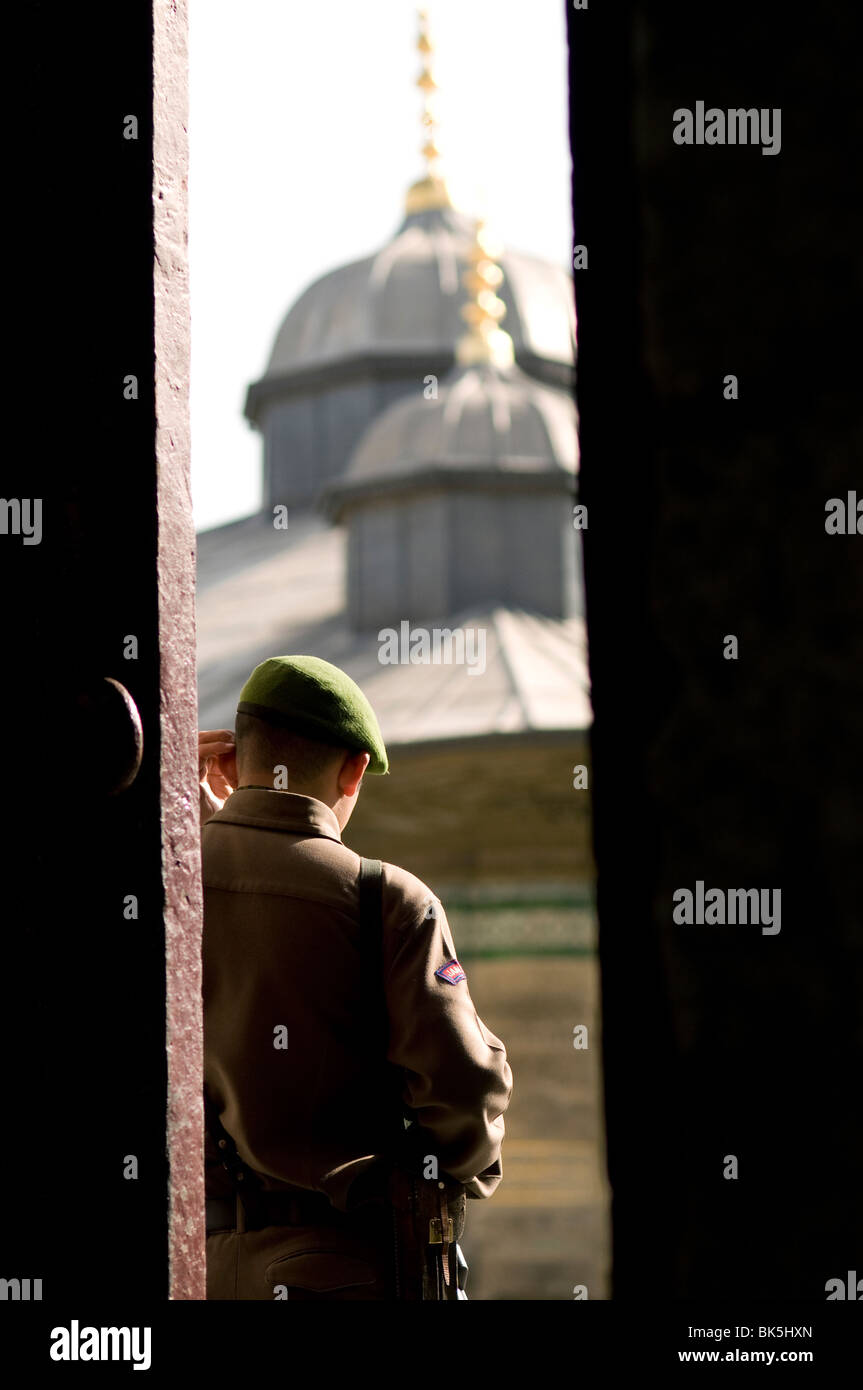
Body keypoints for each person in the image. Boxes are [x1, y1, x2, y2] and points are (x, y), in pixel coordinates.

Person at [199, 654, 512, 1300]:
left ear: (230, 760)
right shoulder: (385, 900)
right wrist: (455, 1165)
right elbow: (461, 1092)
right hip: (336, 1272)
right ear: (354, 768)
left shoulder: (171, 878)